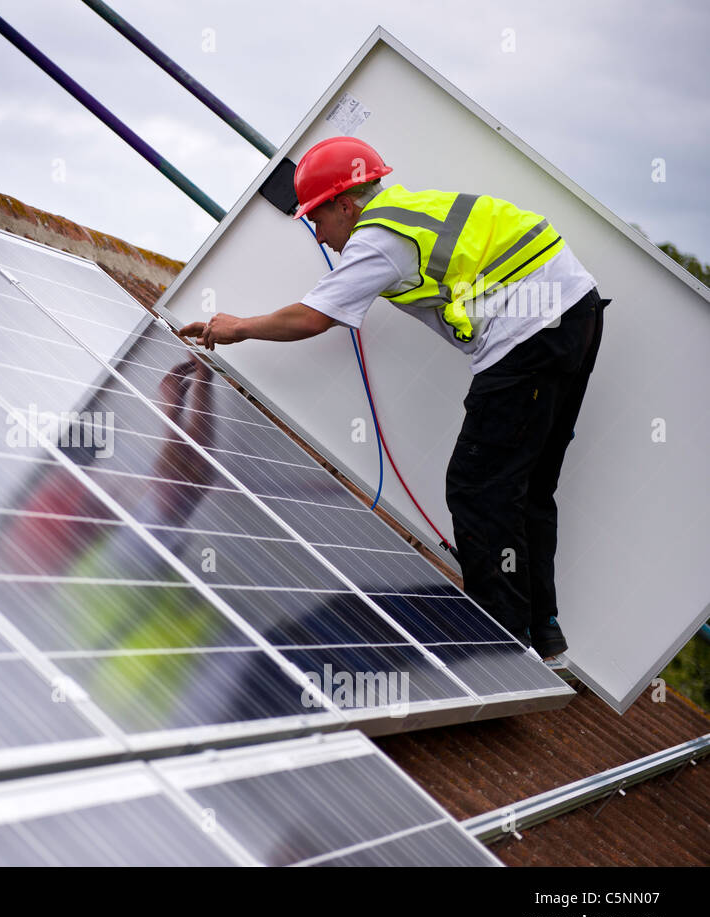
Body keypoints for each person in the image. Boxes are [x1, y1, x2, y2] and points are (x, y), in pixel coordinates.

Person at [177, 136, 606, 665]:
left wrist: (239, 326)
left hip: (531, 332)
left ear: (345, 204)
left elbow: (315, 316)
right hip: (577, 312)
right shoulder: (410, 211)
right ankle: (543, 636)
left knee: (477, 487)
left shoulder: (379, 237)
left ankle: (501, 645)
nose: (319, 233)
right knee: (528, 488)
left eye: (317, 217)